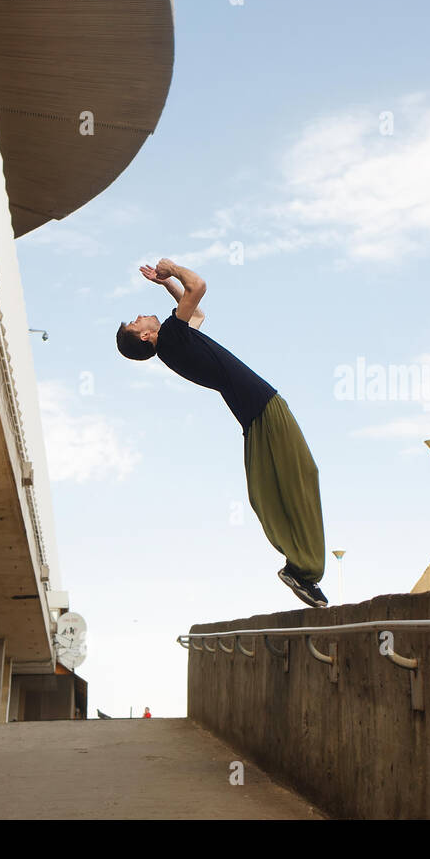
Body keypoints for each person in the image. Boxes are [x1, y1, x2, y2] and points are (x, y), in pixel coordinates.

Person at [115, 259, 329, 607]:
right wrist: (172, 267)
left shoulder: (173, 343)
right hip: (263, 405)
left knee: (279, 487)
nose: (141, 315)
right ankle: (303, 568)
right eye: (137, 321)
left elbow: (196, 314)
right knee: (300, 476)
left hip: (252, 412)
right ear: (145, 336)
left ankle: (300, 567)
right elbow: (197, 286)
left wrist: (166, 285)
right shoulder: (170, 338)